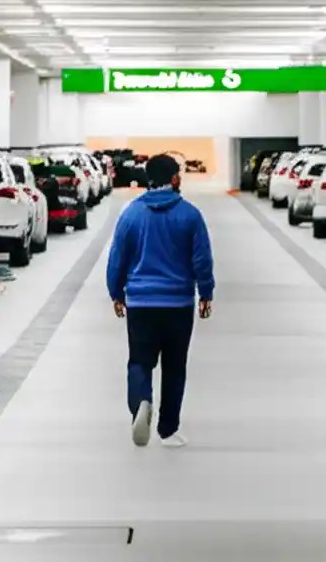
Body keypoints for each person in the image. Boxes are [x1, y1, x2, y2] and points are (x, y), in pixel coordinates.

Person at [106, 154, 214, 448]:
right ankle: (168, 429)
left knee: (140, 361)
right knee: (175, 365)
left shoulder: (131, 214)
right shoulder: (190, 215)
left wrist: (116, 292)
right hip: (178, 304)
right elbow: (202, 259)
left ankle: (141, 400)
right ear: (176, 179)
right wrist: (206, 293)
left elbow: (117, 258)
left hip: (141, 303)